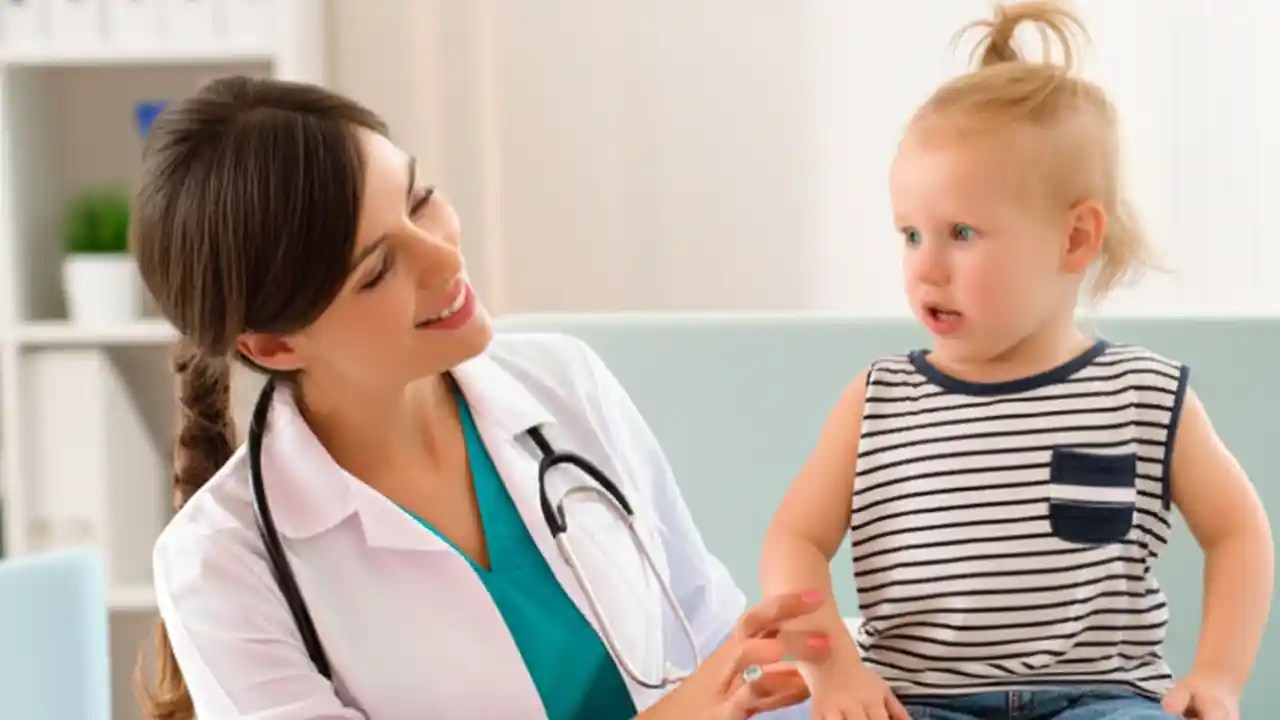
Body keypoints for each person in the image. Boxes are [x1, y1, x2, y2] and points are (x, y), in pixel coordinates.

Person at [131, 75, 834, 719]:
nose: (443, 255)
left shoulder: (564, 382)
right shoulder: (219, 562)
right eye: (378, 271)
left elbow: (714, 639)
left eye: (419, 199)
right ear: (275, 346)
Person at [759, 3, 1274, 720]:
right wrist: (834, 671)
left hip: (1102, 700)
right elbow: (794, 539)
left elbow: (1239, 531)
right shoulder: (880, 399)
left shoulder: (1146, 395)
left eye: (961, 233)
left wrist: (1218, 675)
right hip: (921, 702)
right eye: (910, 234)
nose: (925, 267)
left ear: (1074, 239)